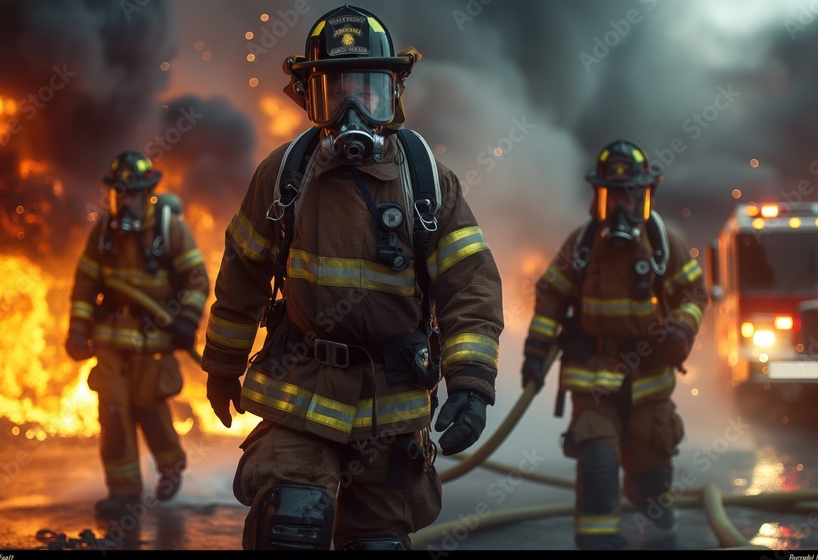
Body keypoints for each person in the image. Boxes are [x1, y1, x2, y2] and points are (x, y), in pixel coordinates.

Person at [200, 4, 504, 551]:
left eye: (368, 90)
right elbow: (241, 278)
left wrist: (472, 382)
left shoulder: (426, 180)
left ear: (394, 95)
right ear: (309, 99)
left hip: (392, 404)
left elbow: (471, 289)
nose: (352, 110)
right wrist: (222, 367)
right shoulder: (284, 175)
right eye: (334, 92)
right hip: (300, 393)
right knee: (291, 523)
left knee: (378, 542)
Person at [519, 139, 708, 550]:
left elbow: (694, 293)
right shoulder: (583, 244)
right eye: (612, 194)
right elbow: (551, 296)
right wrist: (535, 353)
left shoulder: (662, 242)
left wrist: (680, 332)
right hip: (595, 388)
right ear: (597, 196)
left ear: (646, 195)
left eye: (631, 194)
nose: (622, 204)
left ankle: (660, 540)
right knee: (599, 468)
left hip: (650, 390)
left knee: (652, 481)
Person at [64, 150, 210, 516]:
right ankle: (124, 493)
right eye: (118, 194)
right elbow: (84, 286)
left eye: (130, 194)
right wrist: (79, 331)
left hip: (154, 345)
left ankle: (171, 467)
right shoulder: (103, 234)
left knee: (150, 411)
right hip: (111, 346)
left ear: (146, 193)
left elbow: (196, 280)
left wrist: (187, 322)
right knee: (113, 414)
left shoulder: (168, 228)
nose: (123, 201)